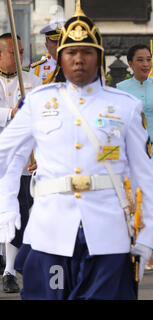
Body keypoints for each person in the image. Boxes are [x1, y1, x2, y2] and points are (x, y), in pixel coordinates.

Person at [0, 2, 153, 300]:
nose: (78, 60)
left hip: (107, 233)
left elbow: (144, 176)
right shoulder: (39, 102)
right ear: (60, 58)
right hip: (50, 231)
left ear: (98, 57)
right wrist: (6, 204)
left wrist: (148, 231)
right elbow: (6, 155)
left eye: (86, 52)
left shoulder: (125, 106)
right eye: (71, 53)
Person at [116, 43, 153, 270]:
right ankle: (130, 242)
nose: (146, 64)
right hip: (131, 151)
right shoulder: (120, 87)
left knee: (152, 197)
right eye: (140, 60)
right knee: (130, 198)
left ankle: (149, 248)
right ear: (130, 64)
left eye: (149, 59)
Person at [0, 32, 42, 293]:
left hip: (22, 160)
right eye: (14, 52)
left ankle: (9, 271)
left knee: (17, 214)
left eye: (22, 52)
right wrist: (11, 112)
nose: (20, 57)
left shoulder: (33, 82)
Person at [28, 20, 65, 84]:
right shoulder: (37, 69)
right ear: (47, 45)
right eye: (55, 42)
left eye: (62, 41)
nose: (59, 45)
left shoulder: (75, 64)